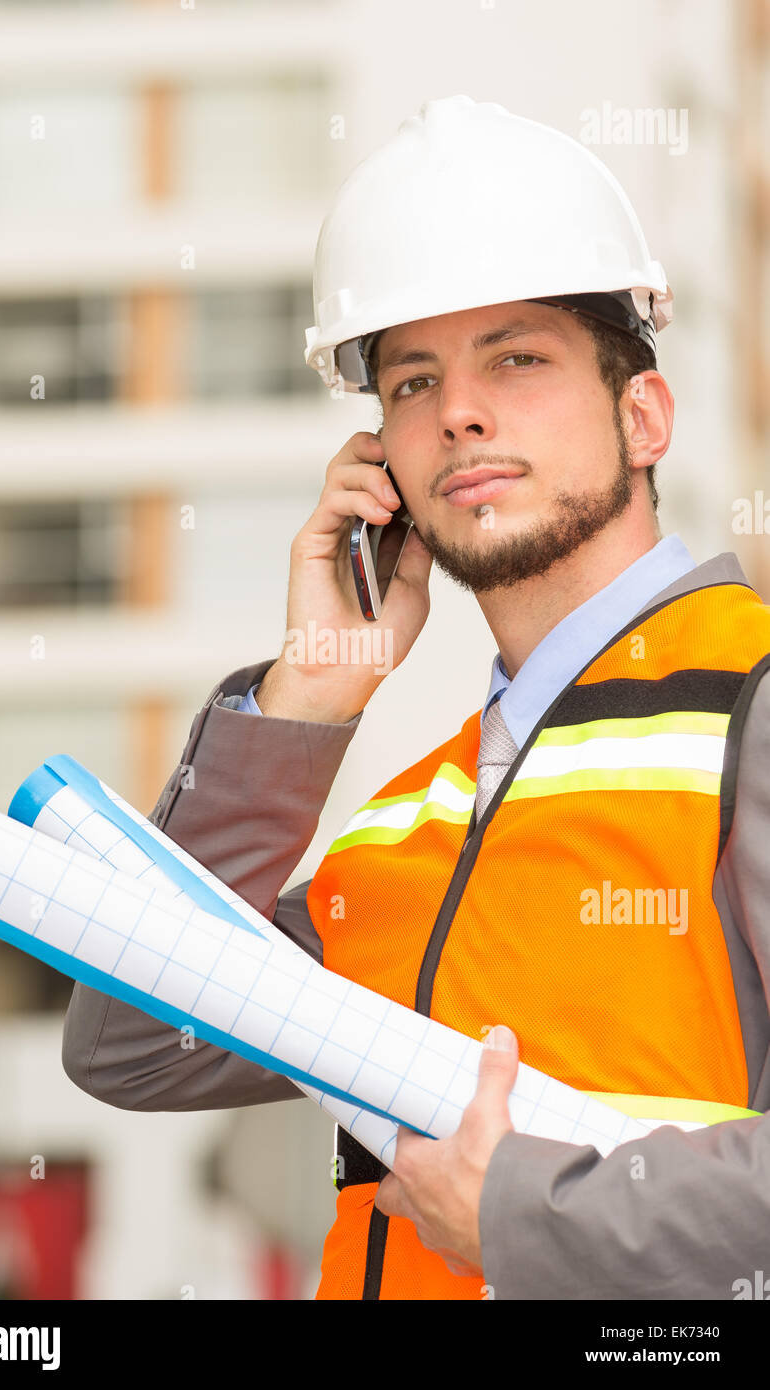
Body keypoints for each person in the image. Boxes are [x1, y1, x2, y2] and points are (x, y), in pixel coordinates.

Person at [62, 98, 770, 1300]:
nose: (460, 412)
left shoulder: (748, 701)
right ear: (381, 461)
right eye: (412, 381)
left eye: (520, 358)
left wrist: (531, 1222)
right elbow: (132, 1043)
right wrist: (310, 692)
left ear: (642, 415)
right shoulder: (410, 821)